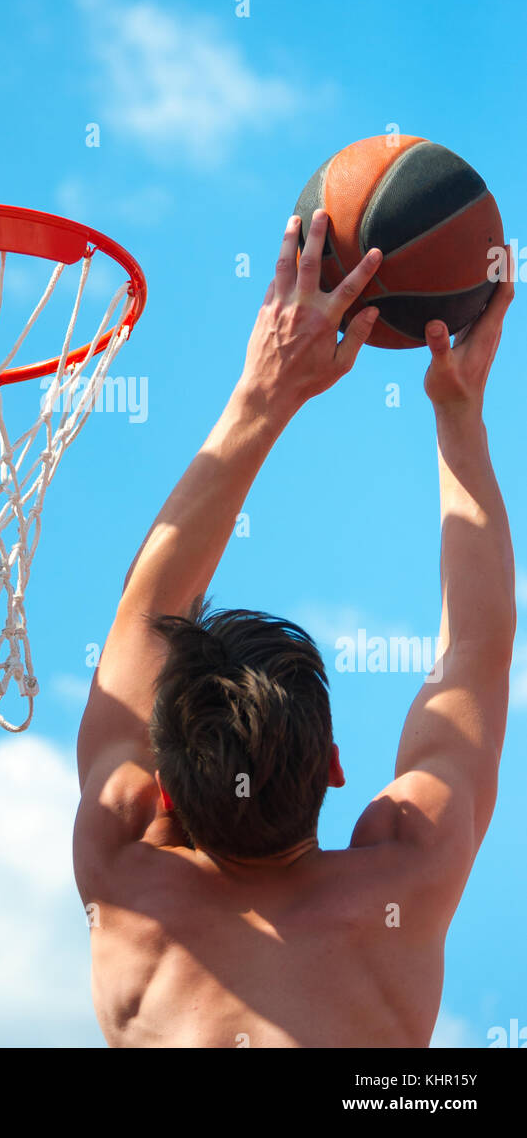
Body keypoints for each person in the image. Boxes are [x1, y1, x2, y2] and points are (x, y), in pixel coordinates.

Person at [74, 209, 516, 1048]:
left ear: (164, 791)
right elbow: (478, 650)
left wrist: (262, 395)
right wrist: (458, 412)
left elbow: (141, 615)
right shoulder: (403, 876)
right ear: (335, 767)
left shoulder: (124, 875)